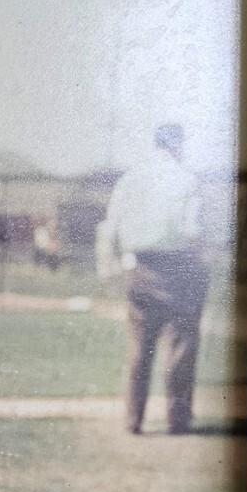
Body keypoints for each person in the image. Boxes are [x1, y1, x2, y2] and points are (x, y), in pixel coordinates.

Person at [99, 123, 207, 435]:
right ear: (179, 144)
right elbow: (194, 231)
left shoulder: (131, 179)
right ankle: (177, 420)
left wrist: (112, 269)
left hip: (140, 268)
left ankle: (133, 420)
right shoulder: (187, 180)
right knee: (180, 348)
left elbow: (110, 228)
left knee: (138, 350)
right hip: (179, 268)